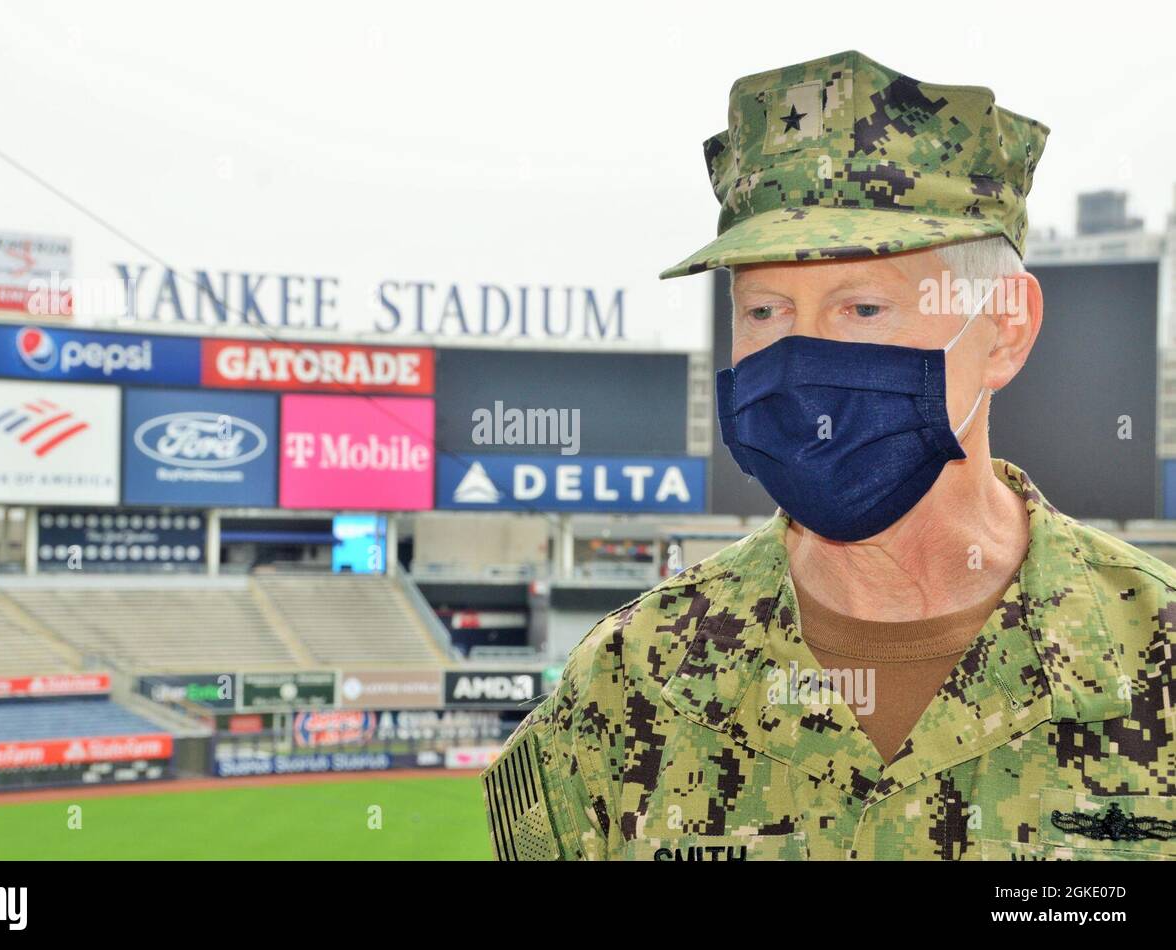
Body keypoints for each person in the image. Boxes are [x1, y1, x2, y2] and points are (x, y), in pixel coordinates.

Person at [481, 49, 1176, 861]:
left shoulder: (1154, 658)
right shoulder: (630, 682)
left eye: (864, 307)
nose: (801, 362)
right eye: (766, 310)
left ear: (1006, 329)